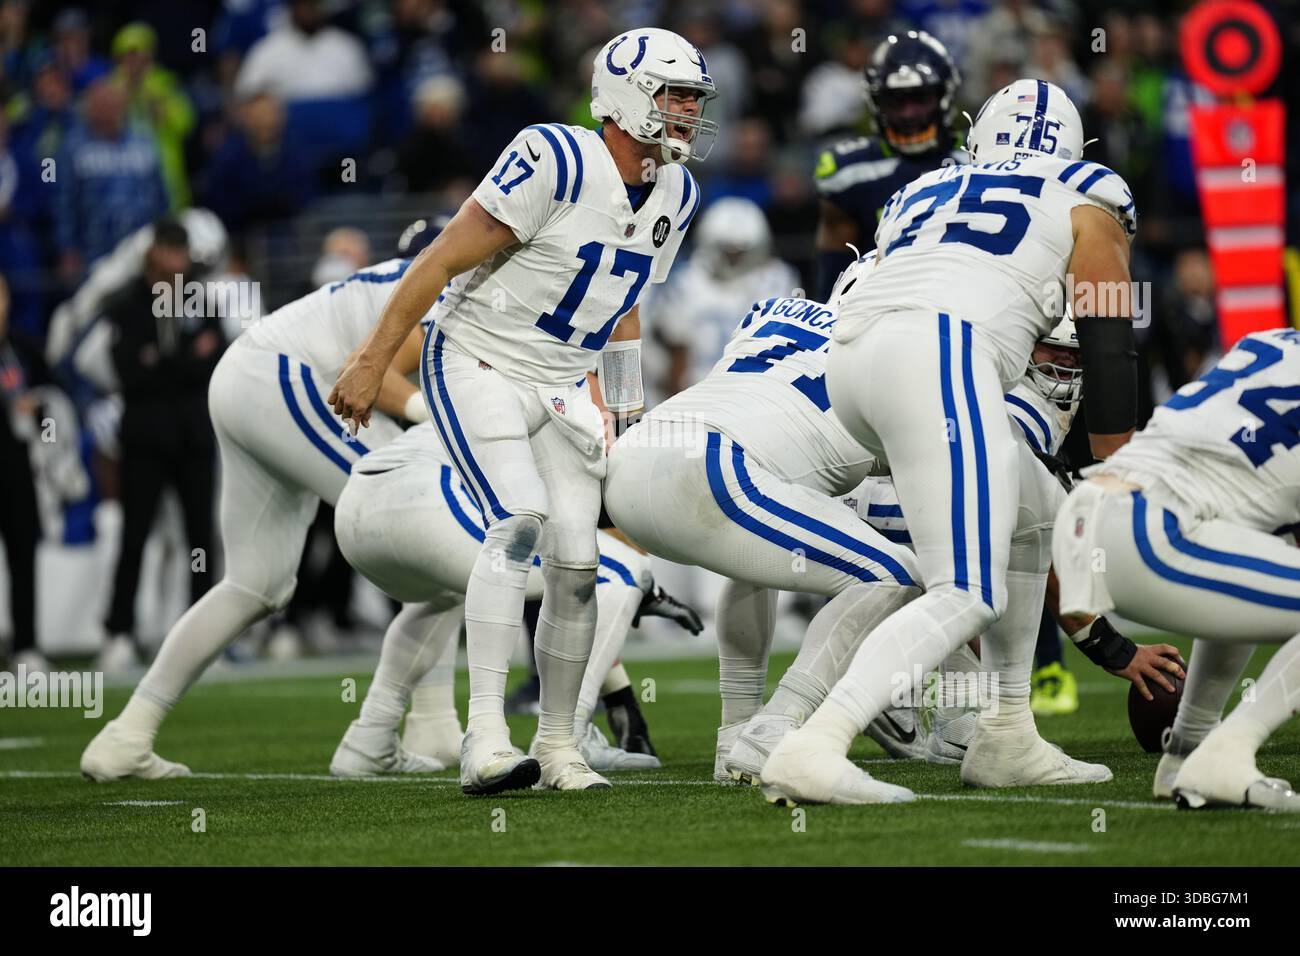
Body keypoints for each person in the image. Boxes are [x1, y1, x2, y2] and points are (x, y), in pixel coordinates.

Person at [328, 28, 717, 796]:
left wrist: (629, 408)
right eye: (674, 96)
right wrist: (373, 359)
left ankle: (560, 745)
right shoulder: (556, 156)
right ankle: (483, 739)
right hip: (479, 356)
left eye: (693, 100)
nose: (686, 113)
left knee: (579, 565)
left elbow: (626, 302)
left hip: (566, 379)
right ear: (626, 96)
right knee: (518, 521)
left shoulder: (677, 191)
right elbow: (440, 258)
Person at [761, 79, 1140, 806]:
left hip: (850, 358)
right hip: (938, 353)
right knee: (967, 589)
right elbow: (1106, 326)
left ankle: (1005, 733)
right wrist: (1116, 463)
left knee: (1028, 515)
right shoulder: (1090, 188)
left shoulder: (923, 191)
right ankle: (815, 742)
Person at [80, 224, 436, 782]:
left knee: (256, 584)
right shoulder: (455, 286)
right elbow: (368, 367)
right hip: (284, 378)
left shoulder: (422, 278)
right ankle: (415, 729)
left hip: (251, 379)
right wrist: (427, 420)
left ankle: (127, 735)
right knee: (436, 529)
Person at [329, 422, 701, 777]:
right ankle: (567, 737)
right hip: (427, 494)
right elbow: (590, 556)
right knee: (625, 571)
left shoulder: (520, 374)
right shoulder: (572, 394)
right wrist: (622, 696)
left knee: (450, 592)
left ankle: (370, 735)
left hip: (360, 506)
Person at [1055, 328, 1300, 812]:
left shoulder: (1275, 342)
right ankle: (1229, 752)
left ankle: (1188, 751)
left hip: (1091, 508)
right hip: (1148, 528)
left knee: (1252, 553)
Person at [100, 218, 224, 667]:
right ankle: (119, 632)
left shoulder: (201, 299)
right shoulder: (130, 303)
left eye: (181, 252)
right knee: (134, 536)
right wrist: (185, 358)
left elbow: (217, 359)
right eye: (168, 251)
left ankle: (203, 639)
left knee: (199, 539)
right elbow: (130, 372)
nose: (176, 262)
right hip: (146, 438)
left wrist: (165, 362)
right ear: (154, 253)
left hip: (191, 436)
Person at [812, 31, 965, 300]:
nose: (909, 114)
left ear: (944, 95)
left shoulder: (979, 158)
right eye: (896, 101)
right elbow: (832, 289)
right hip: (875, 309)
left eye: (920, 98)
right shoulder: (849, 172)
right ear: (876, 102)